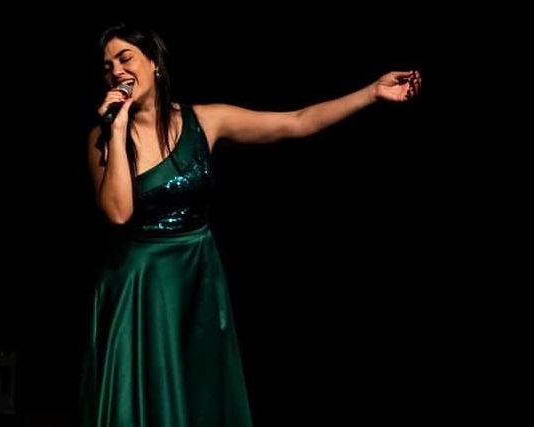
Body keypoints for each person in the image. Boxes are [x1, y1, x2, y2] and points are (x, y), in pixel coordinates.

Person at [77, 22, 422, 426]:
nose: (115, 71)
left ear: (154, 63)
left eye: (125, 58)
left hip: (196, 275)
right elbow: (118, 212)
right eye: (106, 66)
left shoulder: (205, 121)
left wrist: (371, 93)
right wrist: (116, 130)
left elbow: (296, 121)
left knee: (199, 398)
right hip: (141, 286)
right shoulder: (101, 140)